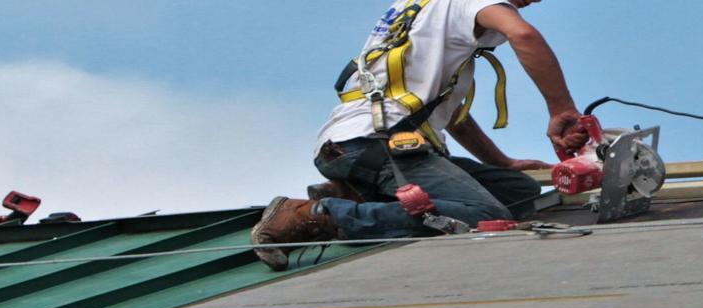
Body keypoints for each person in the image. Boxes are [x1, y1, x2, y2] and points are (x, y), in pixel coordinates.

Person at [251, 0, 589, 270]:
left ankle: (363, 193)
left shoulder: (427, 14)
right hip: (375, 144)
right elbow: (524, 35)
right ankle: (315, 215)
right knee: (486, 215)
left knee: (517, 190)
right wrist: (561, 108)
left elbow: (453, 116)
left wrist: (502, 162)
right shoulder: (470, 4)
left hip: (358, 142)